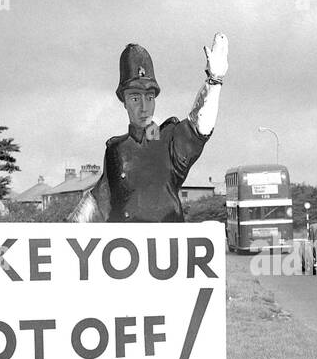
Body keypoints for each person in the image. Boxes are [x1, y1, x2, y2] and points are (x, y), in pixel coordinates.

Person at [74, 34, 228, 222]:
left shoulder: (169, 138)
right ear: (124, 102)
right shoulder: (115, 149)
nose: (144, 107)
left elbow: (199, 128)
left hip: (167, 245)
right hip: (126, 247)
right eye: (135, 98)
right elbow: (99, 202)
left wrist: (214, 82)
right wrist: (64, 232)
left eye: (149, 97)